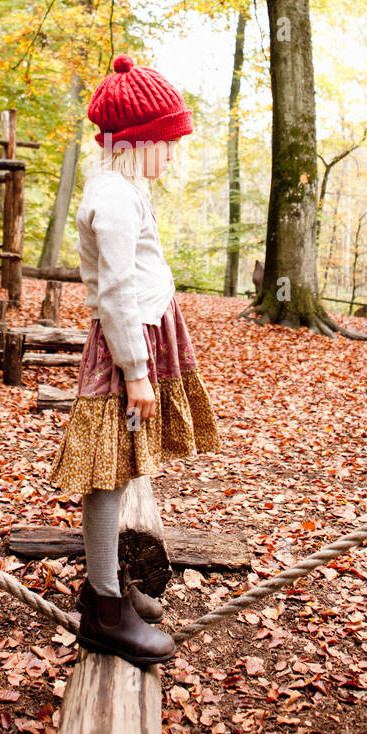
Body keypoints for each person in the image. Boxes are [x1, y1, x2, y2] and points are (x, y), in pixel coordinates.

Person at [49, 53, 221, 667]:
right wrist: (138, 373)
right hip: (129, 350)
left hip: (144, 339)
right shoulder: (114, 200)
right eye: (166, 143)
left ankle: (108, 587)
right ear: (136, 140)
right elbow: (118, 293)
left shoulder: (127, 187)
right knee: (108, 470)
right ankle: (102, 607)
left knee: (121, 466)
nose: (171, 155)